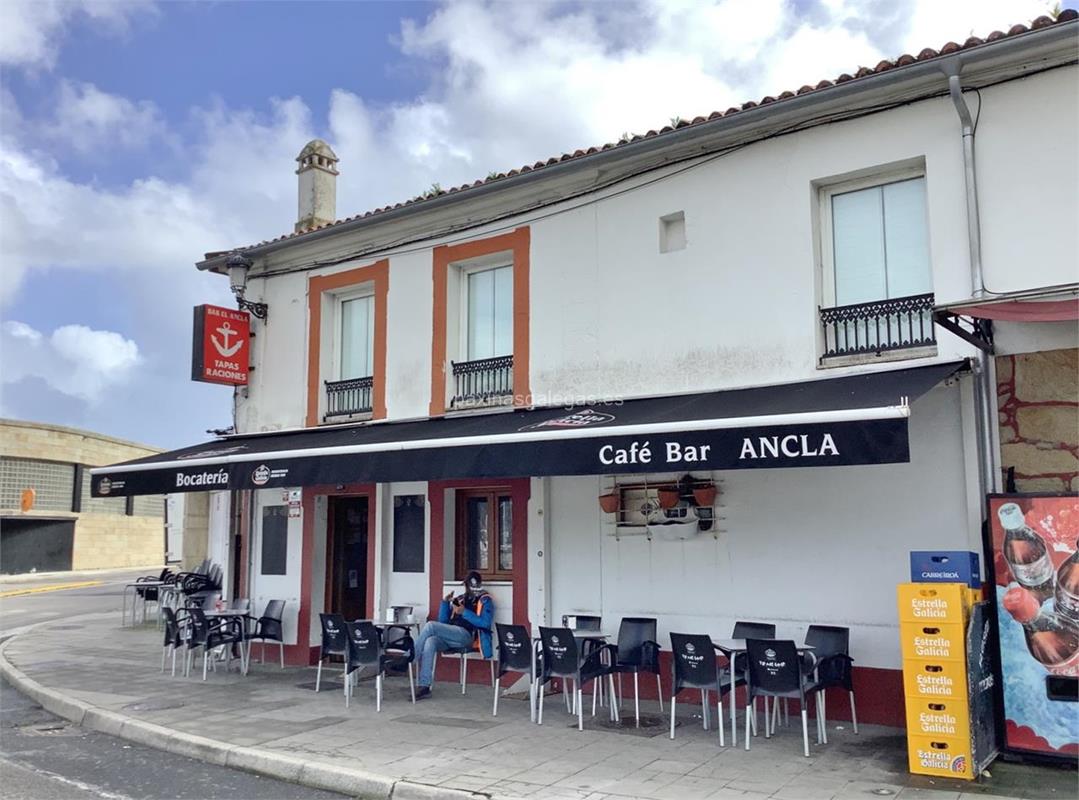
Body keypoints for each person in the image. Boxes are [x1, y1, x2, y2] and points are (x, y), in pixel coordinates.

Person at [413, 571, 494, 699]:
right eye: (467, 585)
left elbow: (485, 623)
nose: (469, 588)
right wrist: (445, 603)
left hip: (467, 636)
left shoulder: (485, 600)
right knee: (430, 641)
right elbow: (443, 622)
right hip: (451, 636)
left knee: (430, 626)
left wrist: (464, 612)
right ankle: (424, 686)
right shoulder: (460, 599)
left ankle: (411, 658)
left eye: (472, 585)